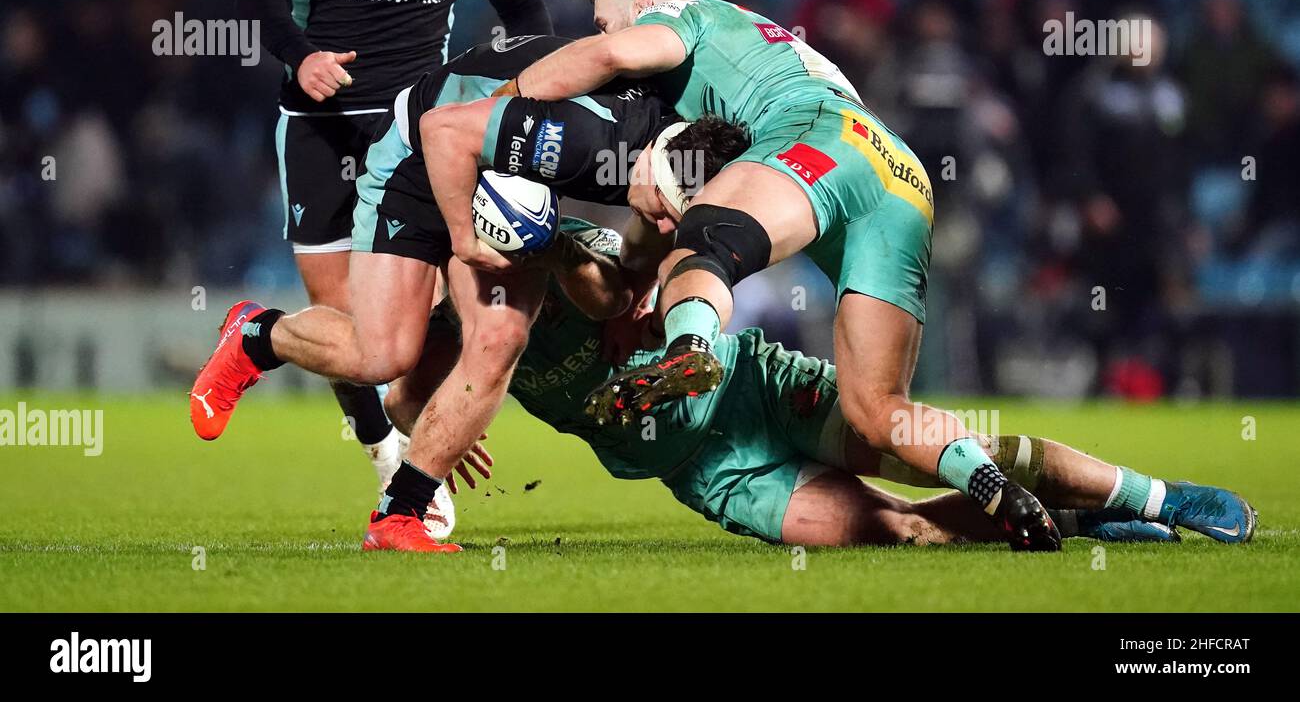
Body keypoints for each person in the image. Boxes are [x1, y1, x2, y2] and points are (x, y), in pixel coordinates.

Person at [462, 0, 1212, 552]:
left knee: (710, 240)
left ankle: (687, 349)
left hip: (819, 139)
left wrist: (502, 106)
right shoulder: (735, 74)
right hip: (895, 177)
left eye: (605, 22)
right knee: (882, 413)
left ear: (643, 6)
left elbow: (601, 63)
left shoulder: (688, 19)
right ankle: (1162, 499)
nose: (603, 41)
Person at [385, 215, 1255, 549]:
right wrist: (444, 427)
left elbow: (612, 281)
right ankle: (1082, 522)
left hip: (752, 386)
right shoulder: (452, 326)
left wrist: (564, 248)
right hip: (709, 471)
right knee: (905, 535)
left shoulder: (570, 258)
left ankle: (1163, 497)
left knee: (963, 453)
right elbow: (400, 396)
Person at [190, 34, 751, 551]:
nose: (657, 225)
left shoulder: (669, 155)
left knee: (501, 336)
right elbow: (444, 131)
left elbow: (636, 256)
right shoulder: (581, 142)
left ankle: (397, 515)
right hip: (419, 154)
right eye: (662, 210)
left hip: (493, 167)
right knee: (380, 355)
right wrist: (462, 236)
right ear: (659, 168)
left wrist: (636, 298)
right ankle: (256, 333)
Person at [233, 0, 551, 494]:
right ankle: (381, 446)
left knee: (410, 329)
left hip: (410, 137)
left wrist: (506, 97)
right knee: (343, 325)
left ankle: (418, 448)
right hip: (319, 127)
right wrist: (303, 56)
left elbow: (528, 19)